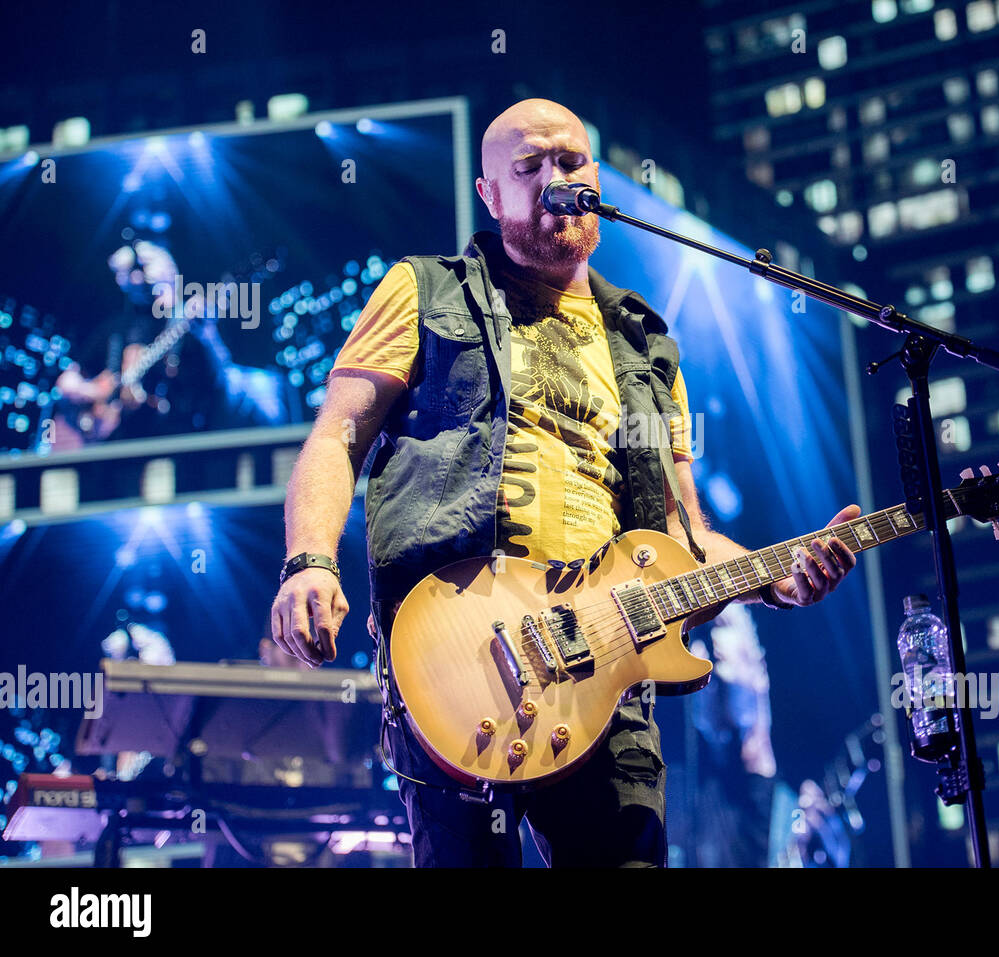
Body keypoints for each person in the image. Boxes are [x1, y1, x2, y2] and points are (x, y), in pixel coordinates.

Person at [269, 98, 861, 867]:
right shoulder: (427, 292)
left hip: (608, 673)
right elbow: (337, 435)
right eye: (530, 166)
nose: (556, 177)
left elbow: (684, 537)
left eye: (571, 161)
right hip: (459, 659)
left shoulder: (645, 345)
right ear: (489, 193)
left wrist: (776, 577)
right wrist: (309, 560)